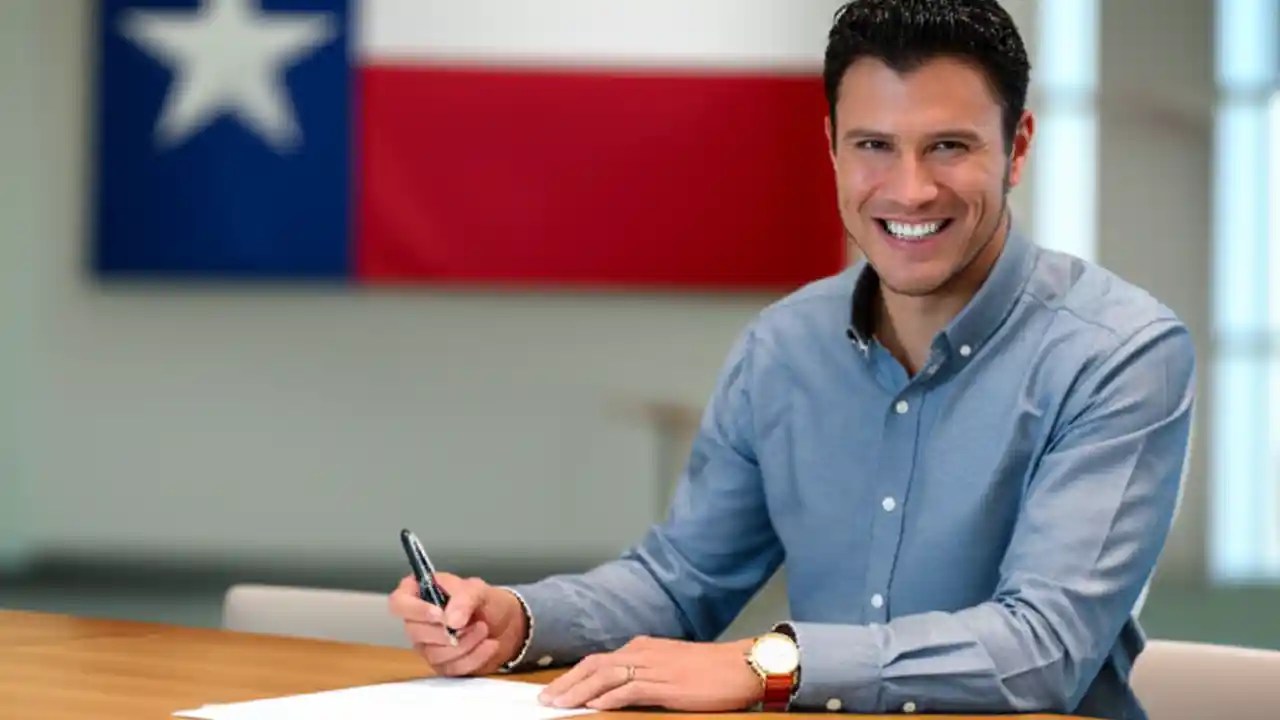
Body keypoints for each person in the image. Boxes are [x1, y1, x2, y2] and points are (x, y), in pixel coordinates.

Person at [388, 1, 1196, 717]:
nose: (910, 190)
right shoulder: (782, 346)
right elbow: (680, 581)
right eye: (875, 145)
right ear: (833, 150)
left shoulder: (1121, 354)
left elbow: (1044, 646)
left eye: (949, 146)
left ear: (1016, 148)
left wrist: (768, 663)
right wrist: (518, 620)